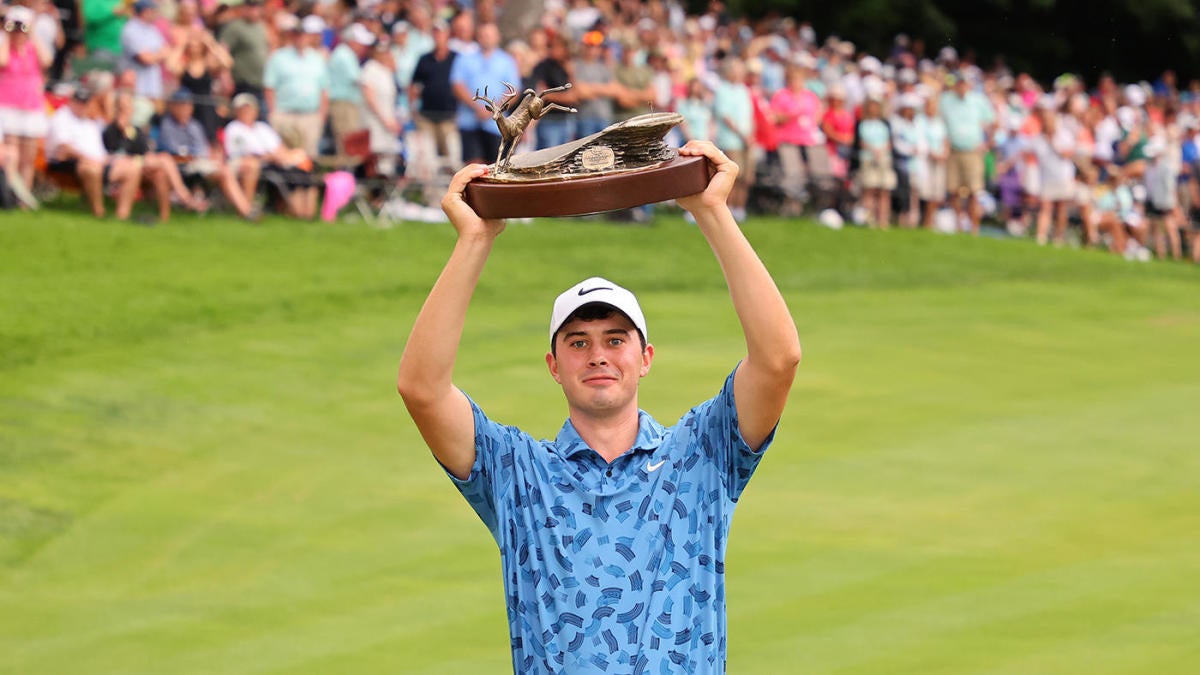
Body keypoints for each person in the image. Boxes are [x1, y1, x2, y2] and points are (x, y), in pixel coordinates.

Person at [395, 139, 800, 674]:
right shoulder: (518, 471)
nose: (598, 356)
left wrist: (712, 211)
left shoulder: (701, 452)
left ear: (645, 357)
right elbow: (421, 388)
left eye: (615, 339)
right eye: (578, 342)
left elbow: (778, 359)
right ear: (554, 365)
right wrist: (475, 239)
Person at [103, 90, 208, 221]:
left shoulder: (134, 129)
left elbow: (144, 150)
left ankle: (164, 217)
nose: (128, 110)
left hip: (139, 165)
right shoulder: (110, 129)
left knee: (160, 174)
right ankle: (185, 197)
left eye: (129, 107)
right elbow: (116, 150)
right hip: (121, 165)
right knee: (164, 158)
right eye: (124, 108)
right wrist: (122, 129)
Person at [158, 88, 259, 220]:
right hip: (183, 164)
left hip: (201, 162)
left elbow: (202, 149)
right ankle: (246, 211)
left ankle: (245, 209)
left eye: (187, 105)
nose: (185, 108)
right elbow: (171, 151)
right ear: (173, 107)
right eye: (181, 105)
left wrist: (203, 156)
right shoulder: (167, 126)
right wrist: (193, 156)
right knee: (225, 172)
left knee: (236, 168)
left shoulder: (194, 125)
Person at [45, 86, 143, 220]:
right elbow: (64, 149)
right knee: (92, 168)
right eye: (78, 101)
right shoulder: (62, 117)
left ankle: (122, 216)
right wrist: (89, 158)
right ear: (71, 101)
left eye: (85, 102)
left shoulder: (90, 123)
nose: (81, 105)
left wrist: (111, 159)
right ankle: (99, 212)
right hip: (67, 162)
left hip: (95, 161)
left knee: (132, 167)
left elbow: (100, 152)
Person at [224, 92, 318, 219]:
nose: (247, 112)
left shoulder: (263, 128)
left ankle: (306, 211)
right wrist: (271, 157)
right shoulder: (233, 128)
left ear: (256, 110)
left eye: (249, 108)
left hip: (277, 162)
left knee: (304, 169)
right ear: (236, 111)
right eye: (243, 109)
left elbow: (280, 149)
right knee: (261, 167)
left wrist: (287, 156)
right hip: (257, 164)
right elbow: (240, 155)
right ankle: (248, 209)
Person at [449, 21, 519, 164]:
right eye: (483, 35)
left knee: (496, 164)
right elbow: (457, 85)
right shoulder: (464, 58)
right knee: (473, 165)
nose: (486, 38)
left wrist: (495, 109)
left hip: (496, 125)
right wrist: (476, 107)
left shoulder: (506, 61)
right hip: (469, 121)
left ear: (497, 37)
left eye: (489, 35)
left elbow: (514, 90)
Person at [0, 5, 51, 193]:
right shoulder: (5, 45)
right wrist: (7, 33)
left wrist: (33, 33)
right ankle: (12, 192)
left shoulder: (32, 47)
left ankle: (25, 194)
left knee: (28, 154)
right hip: (8, 105)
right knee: (12, 151)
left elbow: (46, 61)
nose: (19, 31)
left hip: (31, 105)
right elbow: (2, 60)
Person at [263, 14, 328, 157]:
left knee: (309, 157)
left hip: (310, 116)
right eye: (297, 35)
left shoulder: (317, 59)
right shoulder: (278, 57)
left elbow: (324, 90)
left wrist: (321, 116)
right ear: (292, 36)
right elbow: (269, 87)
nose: (300, 38)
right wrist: (273, 113)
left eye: (303, 35)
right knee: (285, 155)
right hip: (285, 114)